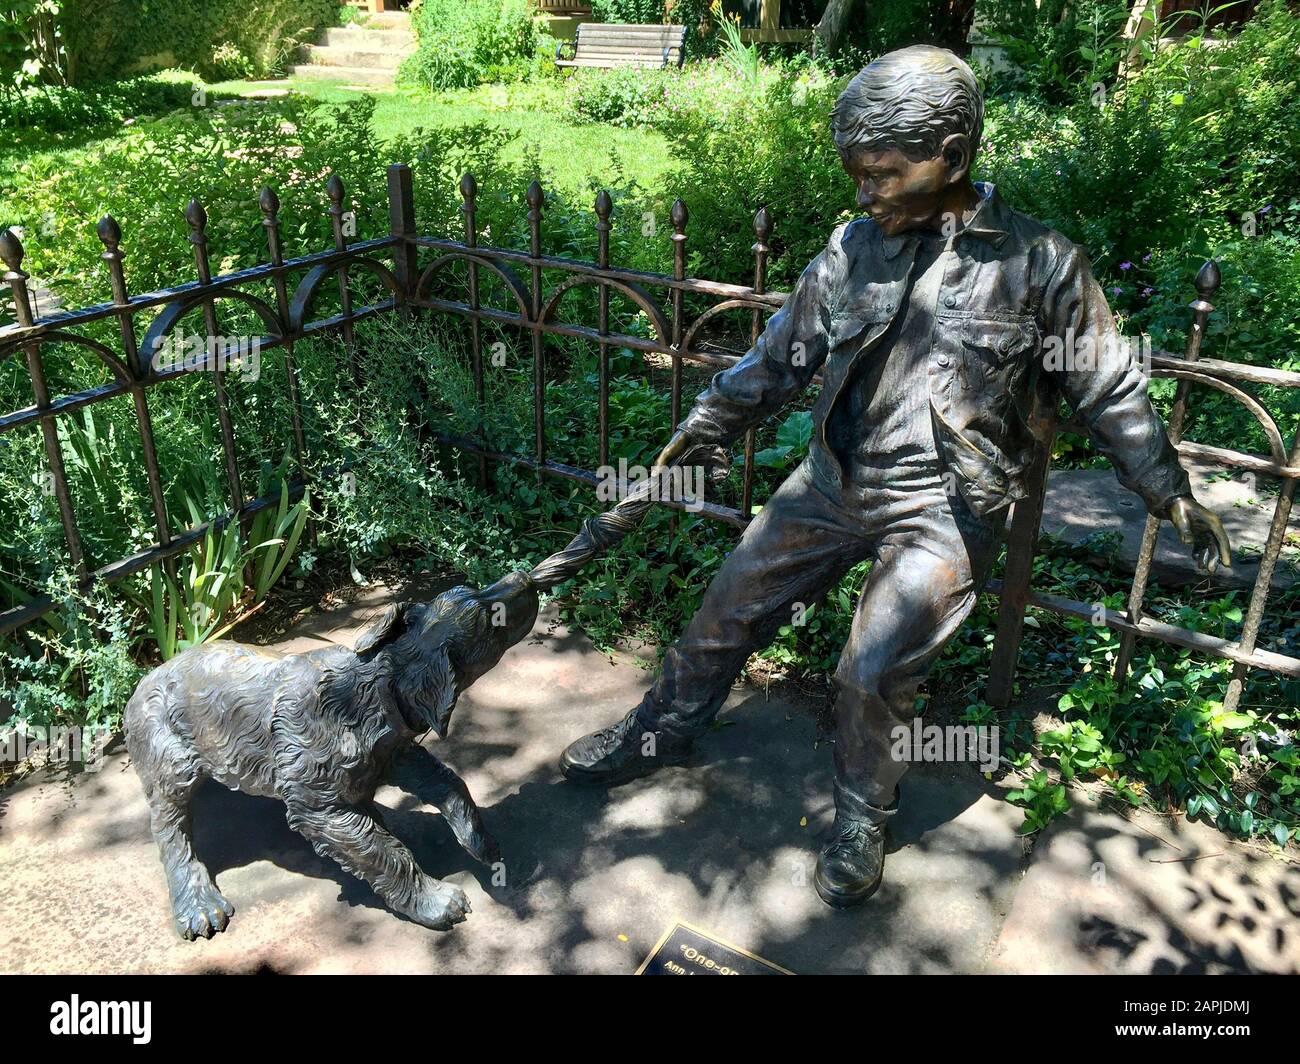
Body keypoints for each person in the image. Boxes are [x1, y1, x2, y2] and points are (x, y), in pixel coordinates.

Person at [559, 45, 1232, 909]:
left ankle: (861, 811)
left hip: (945, 509)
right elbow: (778, 359)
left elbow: (1105, 382)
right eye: (858, 173)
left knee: (869, 673)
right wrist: (703, 429)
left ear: (951, 155)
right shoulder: (850, 249)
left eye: (880, 172)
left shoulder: (1040, 264)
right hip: (833, 483)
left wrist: (1166, 488)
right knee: (726, 607)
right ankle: (664, 730)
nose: (863, 191)